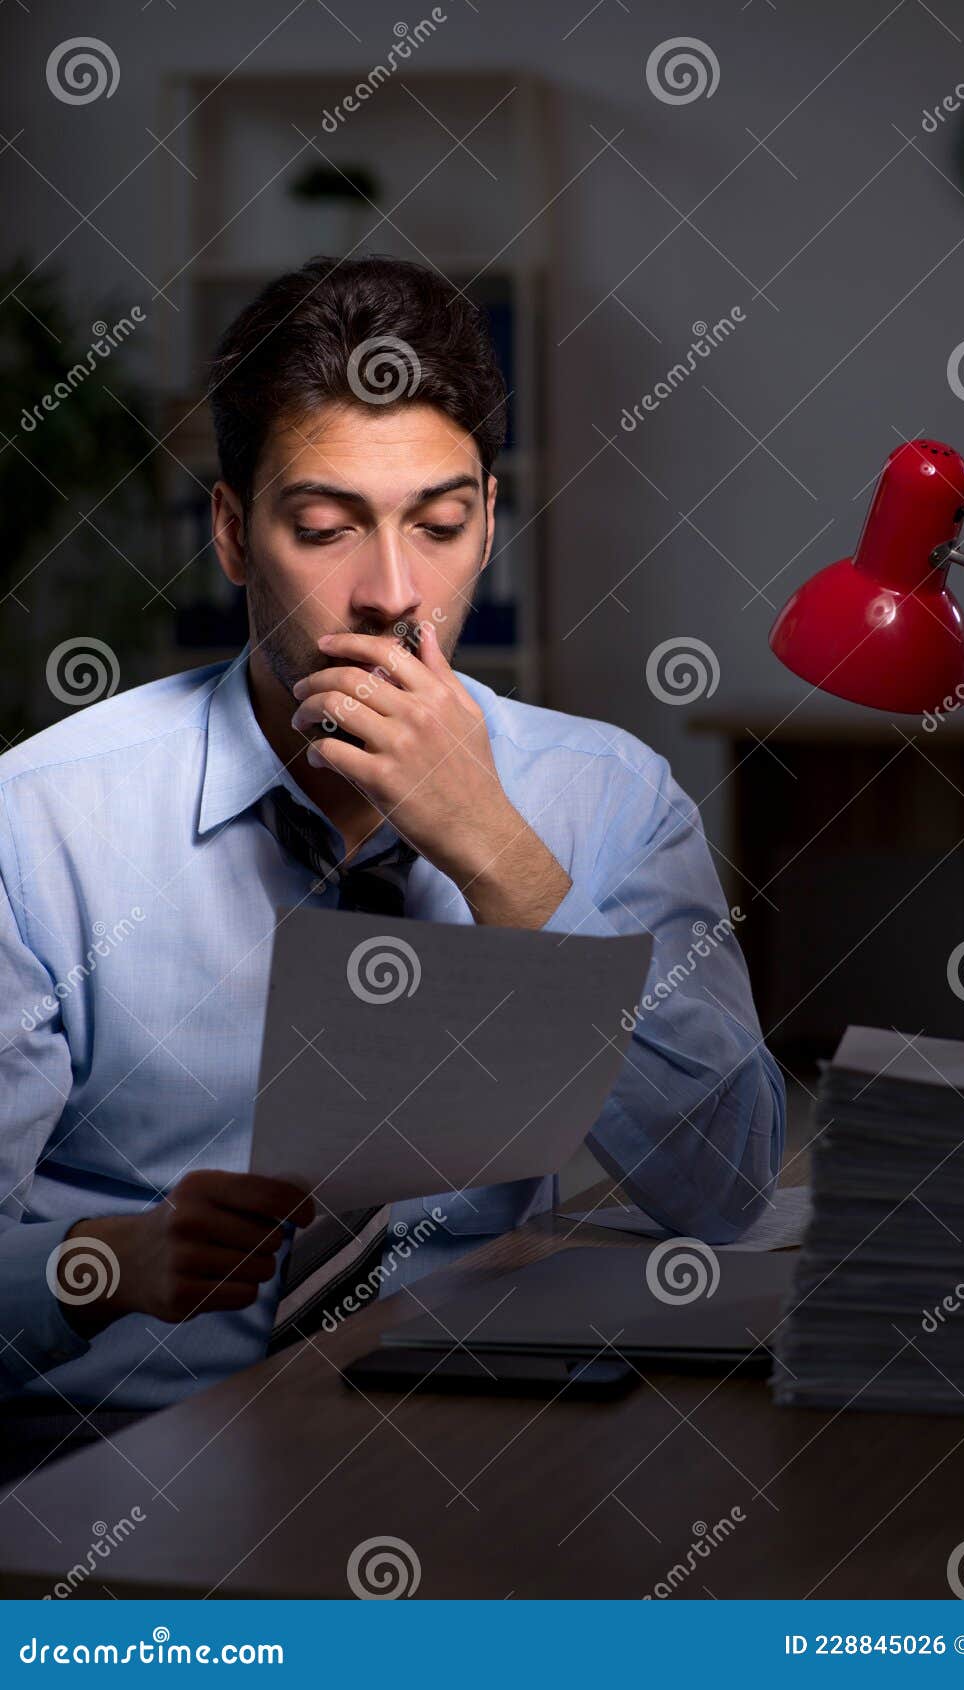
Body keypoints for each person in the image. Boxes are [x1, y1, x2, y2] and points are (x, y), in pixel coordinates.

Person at [0, 255, 785, 1429]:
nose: (391, 591)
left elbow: (724, 1188)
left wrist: (500, 856)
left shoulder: (608, 798)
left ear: (486, 529)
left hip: (479, 1440)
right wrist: (107, 1260)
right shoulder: (39, 820)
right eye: (325, 527)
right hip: (128, 1464)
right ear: (231, 533)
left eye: (442, 524)